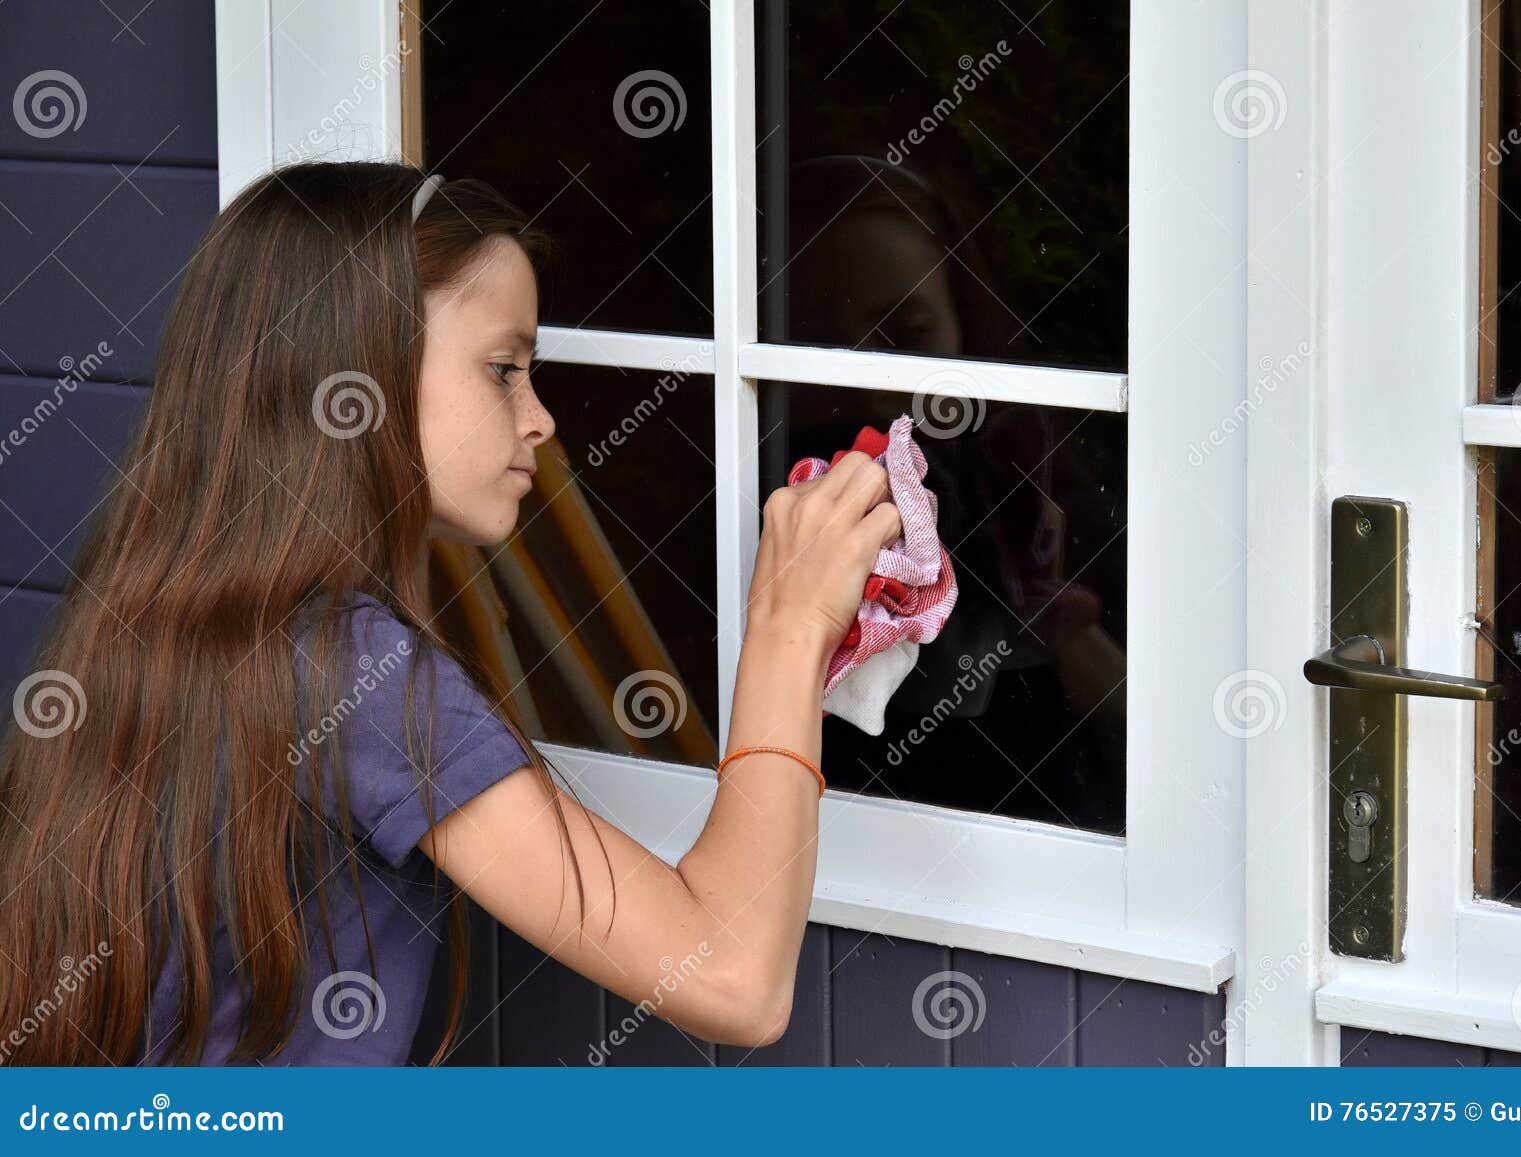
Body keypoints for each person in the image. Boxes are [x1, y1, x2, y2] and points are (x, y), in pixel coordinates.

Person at [0, 161, 900, 1065]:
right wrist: (789, 625)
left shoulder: (154, 617)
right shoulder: (353, 671)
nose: (541, 419)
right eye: (503, 369)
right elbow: (735, 980)